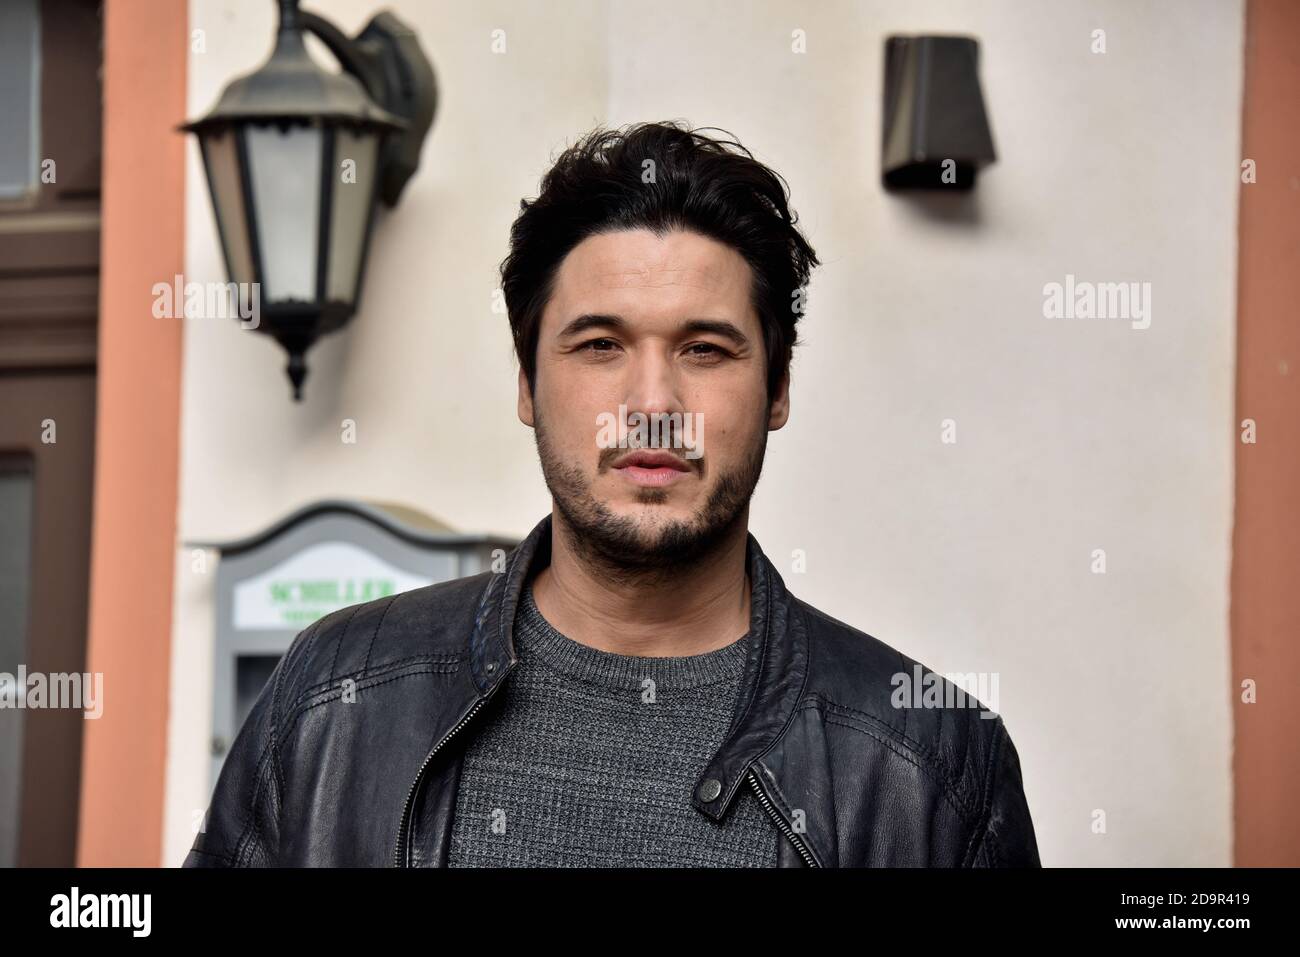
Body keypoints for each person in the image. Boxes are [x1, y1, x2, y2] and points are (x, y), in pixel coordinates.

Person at [184, 121, 1040, 868]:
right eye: (599, 345)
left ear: (778, 390)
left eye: (706, 349)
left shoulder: (932, 763)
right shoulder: (337, 697)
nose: (655, 405)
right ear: (527, 383)